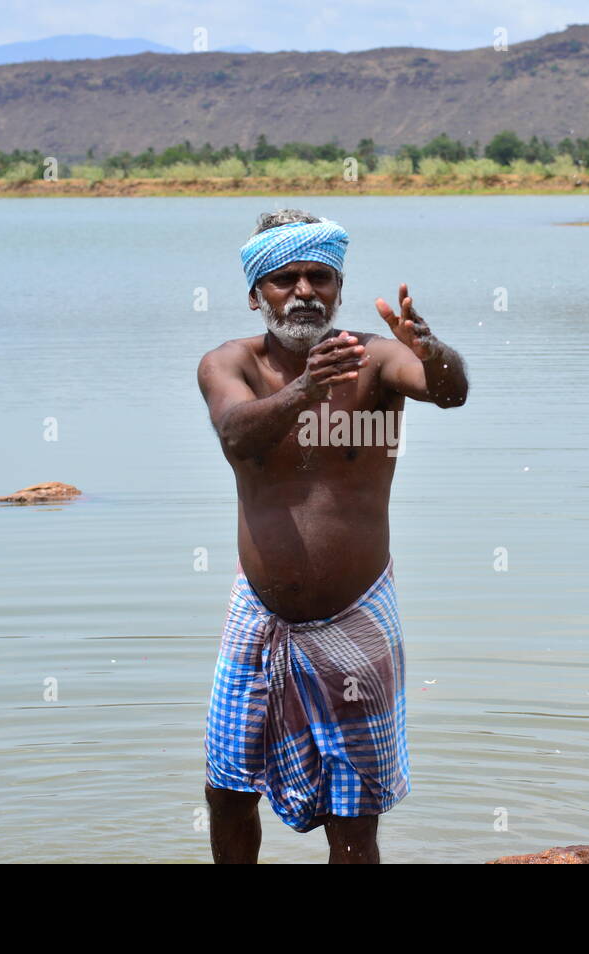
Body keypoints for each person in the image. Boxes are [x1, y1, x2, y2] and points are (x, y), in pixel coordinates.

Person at [196, 209, 469, 863]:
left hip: (356, 615)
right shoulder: (226, 363)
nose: (304, 292)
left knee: (354, 812)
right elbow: (237, 434)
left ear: (340, 289)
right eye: (285, 279)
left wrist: (430, 350)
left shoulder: (375, 360)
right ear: (255, 293)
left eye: (319, 277)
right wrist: (305, 387)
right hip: (257, 615)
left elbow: (450, 392)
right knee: (228, 790)